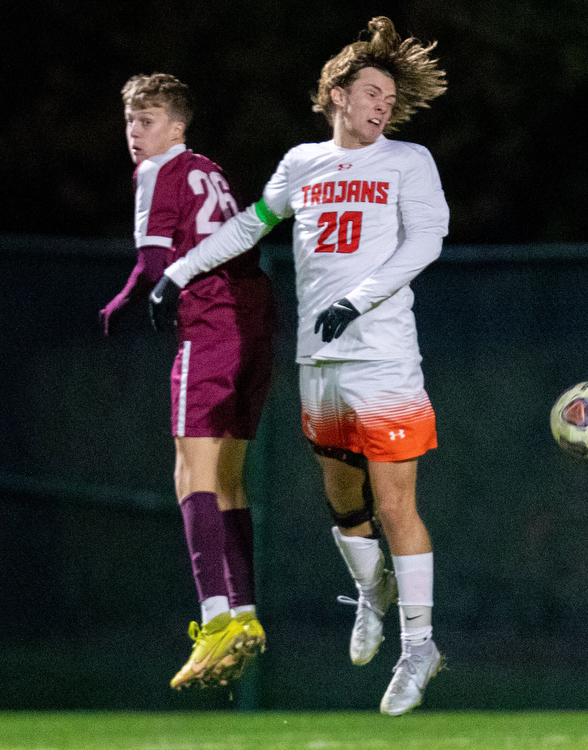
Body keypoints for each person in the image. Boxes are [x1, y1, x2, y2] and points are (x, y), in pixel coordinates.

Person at [149, 17, 448, 716]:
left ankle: (419, 647)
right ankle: (372, 595)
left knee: (396, 504)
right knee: (345, 505)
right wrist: (177, 273)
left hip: (384, 358)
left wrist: (358, 298)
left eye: (389, 99)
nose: (381, 106)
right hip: (320, 362)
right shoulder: (302, 163)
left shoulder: (409, 162)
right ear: (337, 94)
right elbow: (251, 223)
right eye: (371, 93)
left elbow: (426, 242)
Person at [101, 73, 275, 690]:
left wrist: (118, 305)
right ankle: (246, 613)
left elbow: (152, 265)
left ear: (177, 126)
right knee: (227, 476)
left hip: (210, 323)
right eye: (129, 122)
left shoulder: (157, 174)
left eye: (146, 122)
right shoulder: (211, 168)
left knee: (189, 470)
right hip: (256, 319)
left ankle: (214, 616)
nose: (134, 134)